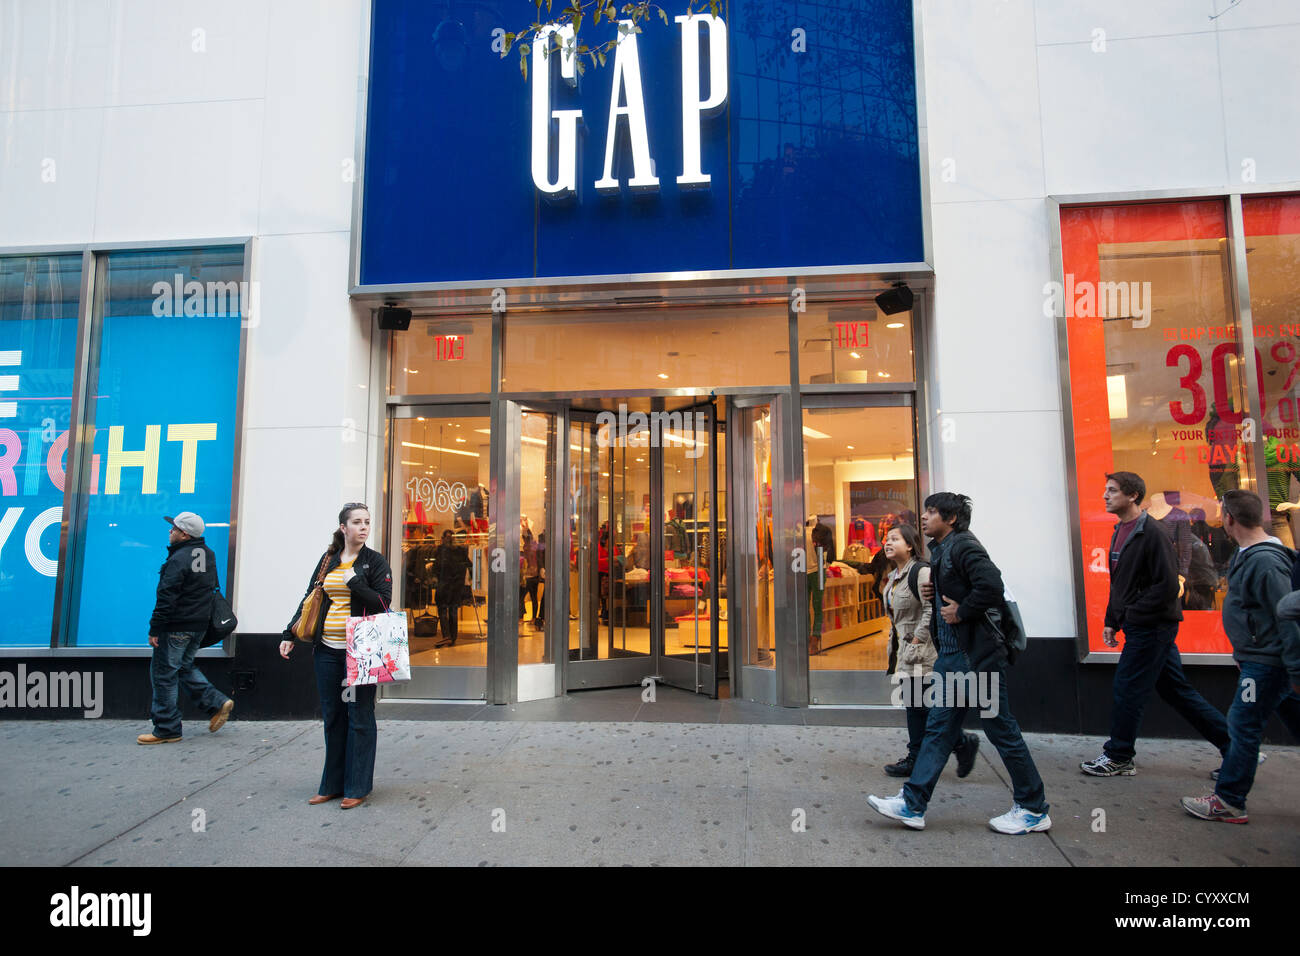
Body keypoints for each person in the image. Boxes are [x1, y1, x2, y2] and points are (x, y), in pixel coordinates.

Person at [868, 492, 1050, 834]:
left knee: (1002, 731)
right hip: (955, 658)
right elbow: (966, 587)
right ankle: (913, 803)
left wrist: (962, 610)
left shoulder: (964, 545)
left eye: (932, 512)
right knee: (938, 731)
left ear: (951, 519)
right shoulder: (943, 549)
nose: (925, 517)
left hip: (974, 660)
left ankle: (1033, 807)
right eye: (925, 511)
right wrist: (938, 596)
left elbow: (991, 585)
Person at [1081, 473, 1231, 776]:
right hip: (1143, 625)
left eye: (1112, 491)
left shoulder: (1153, 532)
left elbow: (1166, 586)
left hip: (1152, 627)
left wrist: (1132, 616)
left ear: (1133, 495)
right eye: (1105, 490)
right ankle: (1238, 749)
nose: (1105, 496)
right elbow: (1121, 583)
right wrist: (1112, 620)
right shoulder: (1121, 530)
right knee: (1176, 691)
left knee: (1127, 688)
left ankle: (1119, 755)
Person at [1181, 490, 1300, 823]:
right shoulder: (1249, 555)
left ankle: (1229, 800)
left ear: (1229, 518)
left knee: (1242, 723)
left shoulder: (1265, 560)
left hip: (1266, 664)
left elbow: (1287, 616)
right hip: (1259, 658)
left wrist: (1295, 670)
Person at [280, 503, 392, 809]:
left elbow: (383, 603)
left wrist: (355, 581)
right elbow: (310, 597)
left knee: (360, 717)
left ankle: (357, 786)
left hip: (362, 652)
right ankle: (331, 784)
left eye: (367, 522)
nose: (364, 527)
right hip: (326, 650)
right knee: (332, 717)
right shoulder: (328, 559)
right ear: (343, 528)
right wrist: (290, 634)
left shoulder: (374, 562)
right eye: (357, 522)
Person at [879, 523, 979, 778]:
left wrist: (917, 641)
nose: (887, 543)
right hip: (906, 651)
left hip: (922, 651)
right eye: (886, 539)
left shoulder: (921, 572)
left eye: (894, 539)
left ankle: (949, 747)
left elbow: (931, 610)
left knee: (921, 706)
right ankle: (950, 746)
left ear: (910, 545)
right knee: (917, 705)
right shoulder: (894, 576)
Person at [138, 512, 234, 744]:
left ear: (184, 534)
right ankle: (216, 702)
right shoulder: (206, 554)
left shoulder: (179, 558)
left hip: (177, 626)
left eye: (174, 529)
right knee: (183, 667)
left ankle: (167, 728)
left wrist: (155, 628)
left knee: (163, 675)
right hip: (199, 625)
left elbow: (166, 596)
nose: (170, 532)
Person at [431, 529, 471, 647]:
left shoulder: (442, 550)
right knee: (451, 610)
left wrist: (434, 575)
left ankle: (448, 636)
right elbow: (468, 564)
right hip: (453, 585)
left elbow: (437, 565)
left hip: (446, 584)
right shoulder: (459, 550)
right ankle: (451, 637)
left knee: (444, 610)